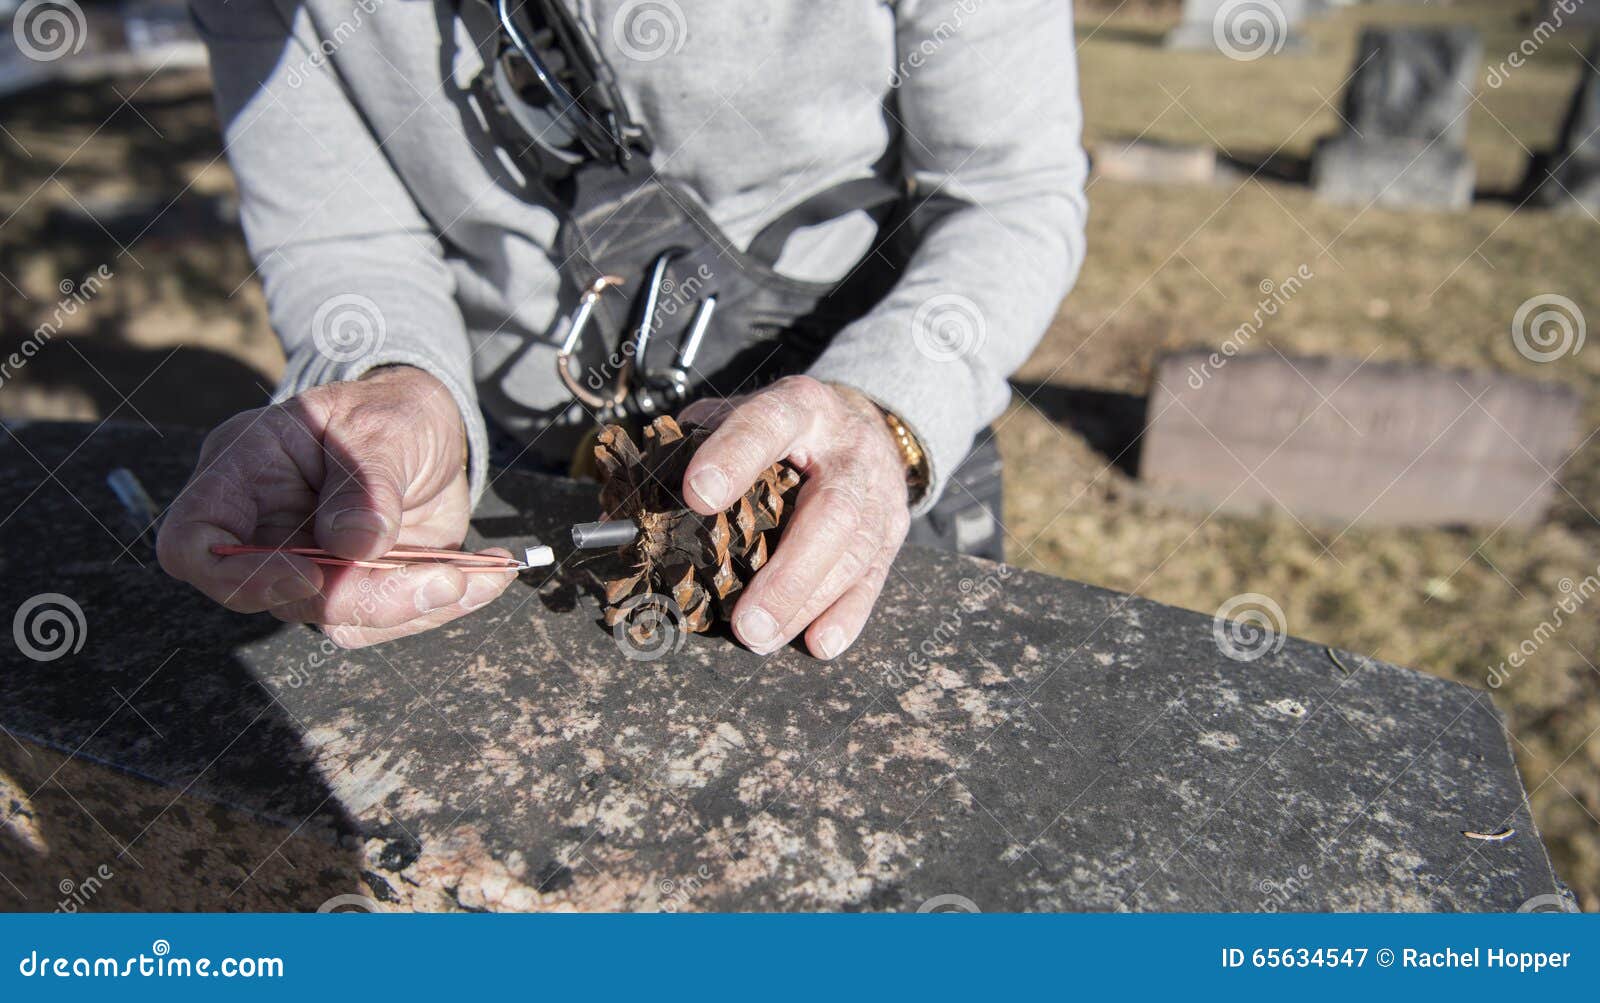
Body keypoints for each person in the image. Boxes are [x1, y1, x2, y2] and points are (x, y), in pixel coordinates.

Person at [158, 0, 1087, 659]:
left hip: (859, 436)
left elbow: (1013, 191)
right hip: (525, 459)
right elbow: (344, 238)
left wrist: (888, 406)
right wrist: (393, 379)